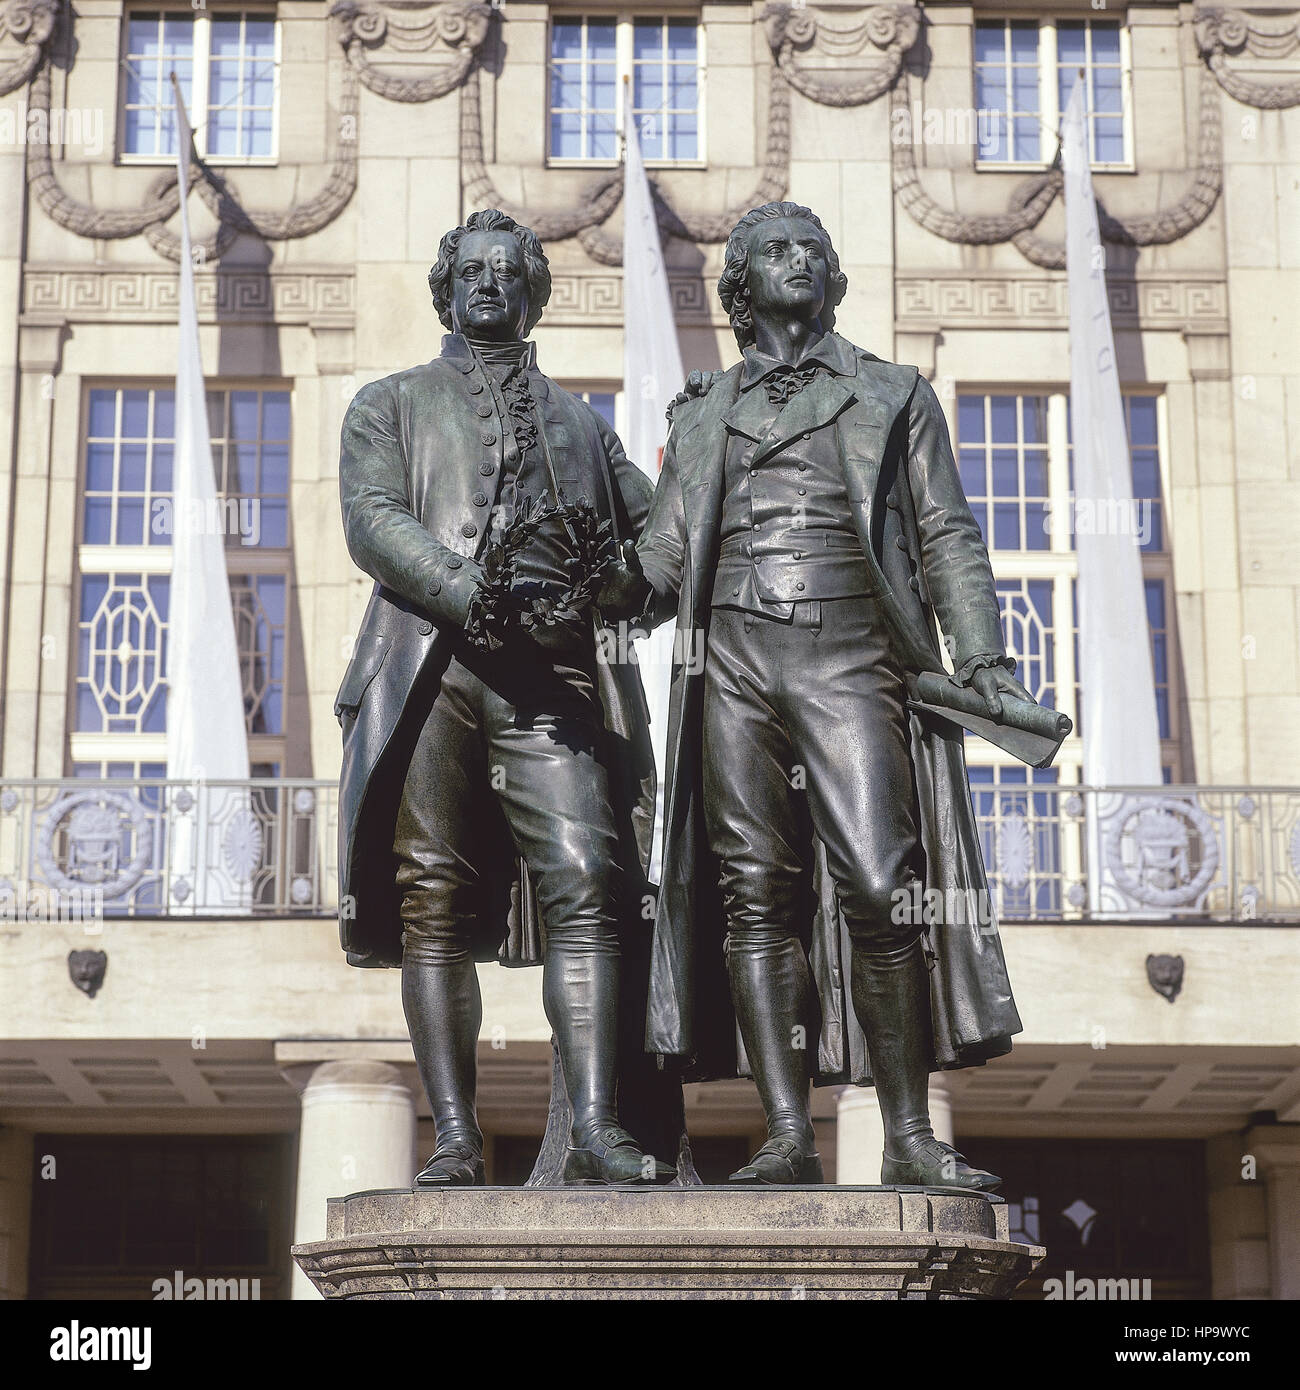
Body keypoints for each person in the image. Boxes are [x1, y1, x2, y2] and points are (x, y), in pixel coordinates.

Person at [602, 202, 1032, 1188]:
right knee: (754, 895)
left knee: (885, 885)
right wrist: (588, 582)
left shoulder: (891, 391)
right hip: (733, 660)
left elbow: (947, 536)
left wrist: (983, 657)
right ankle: (788, 1132)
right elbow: (662, 563)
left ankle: (909, 1136)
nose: (798, 260)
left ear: (831, 276)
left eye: (811, 249)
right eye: (772, 251)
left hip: (850, 651)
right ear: (742, 287)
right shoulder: (703, 413)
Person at [335, 209, 671, 1186]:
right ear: (446, 291)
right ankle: (452, 1137)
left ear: (533, 295)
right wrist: (463, 589)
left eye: (508, 271)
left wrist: (625, 584)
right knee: (431, 898)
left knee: (586, 879)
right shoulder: (388, 402)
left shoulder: (584, 425)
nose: (489, 282)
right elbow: (372, 517)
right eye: (472, 271)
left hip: (552, 682)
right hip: (429, 667)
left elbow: (657, 542)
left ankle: (598, 1128)